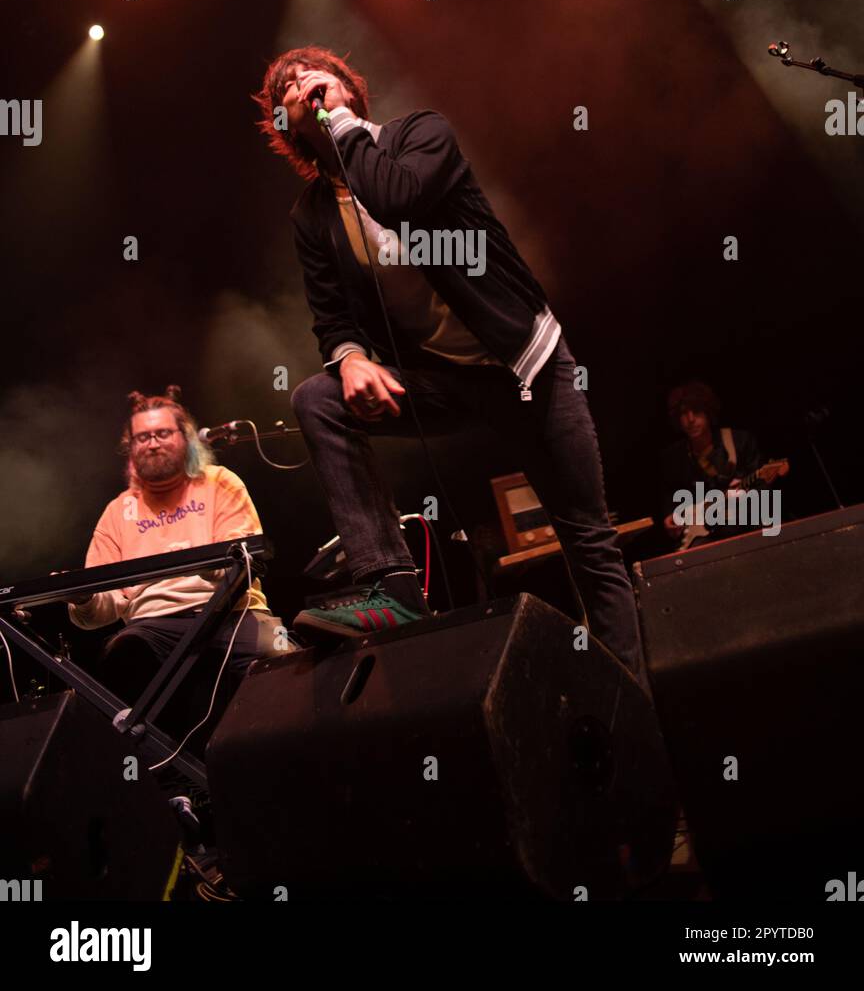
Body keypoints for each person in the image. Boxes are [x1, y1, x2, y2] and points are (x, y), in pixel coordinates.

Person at [253, 45, 648, 690]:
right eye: (291, 89)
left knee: (588, 540)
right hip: (445, 380)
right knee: (316, 399)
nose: (307, 88)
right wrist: (350, 359)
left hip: (528, 365)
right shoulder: (312, 216)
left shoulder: (420, 136)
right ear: (283, 122)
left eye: (317, 78)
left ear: (349, 88)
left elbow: (397, 197)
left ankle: (628, 701)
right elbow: (332, 315)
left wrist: (344, 125)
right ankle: (393, 583)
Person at [67, 386, 297, 836]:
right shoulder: (119, 512)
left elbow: (244, 563)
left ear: (186, 438)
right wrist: (82, 600)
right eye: (142, 437)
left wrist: (203, 568)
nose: (152, 442)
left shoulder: (220, 483)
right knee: (123, 651)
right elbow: (106, 605)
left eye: (163, 433)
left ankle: (285, 776)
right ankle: (175, 791)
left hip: (232, 614)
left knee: (284, 654)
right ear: (131, 449)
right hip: (154, 625)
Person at [660, 380, 780, 543]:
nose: (691, 419)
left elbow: (763, 488)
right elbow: (672, 493)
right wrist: (671, 515)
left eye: (696, 412)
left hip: (745, 522)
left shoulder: (740, 441)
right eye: (683, 414)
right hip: (703, 533)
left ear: (708, 412)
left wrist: (747, 494)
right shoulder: (675, 457)